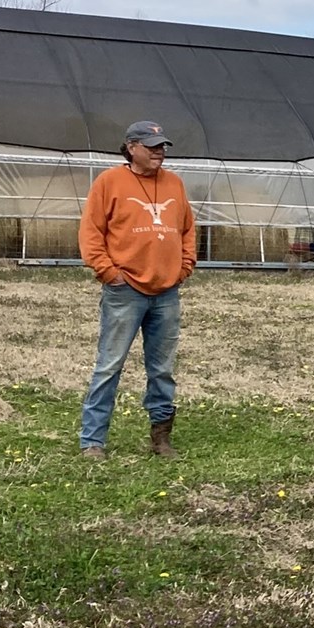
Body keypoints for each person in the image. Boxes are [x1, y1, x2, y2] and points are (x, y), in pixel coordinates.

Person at [77, 120, 197, 458]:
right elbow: (91, 232)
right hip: (124, 290)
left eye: (162, 146)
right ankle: (93, 440)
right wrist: (108, 272)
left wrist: (184, 266)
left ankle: (161, 437)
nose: (160, 152)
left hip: (167, 292)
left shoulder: (174, 184)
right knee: (110, 365)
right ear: (131, 147)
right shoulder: (109, 183)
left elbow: (187, 229)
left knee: (162, 368)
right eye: (152, 146)